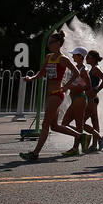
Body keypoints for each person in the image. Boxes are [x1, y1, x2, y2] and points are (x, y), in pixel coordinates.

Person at [19, 31, 85, 161]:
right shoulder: (49, 57)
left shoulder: (63, 59)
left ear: (59, 44)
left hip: (57, 94)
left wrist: (66, 86)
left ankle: (35, 153)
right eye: (48, 42)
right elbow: (42, 72)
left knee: (45, 124)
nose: (49, 44)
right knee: (53, 126)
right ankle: (79, 136)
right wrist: (31, 78)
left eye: (51, 42)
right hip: (50, 94)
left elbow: (77, 73)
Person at [58, 48, 102, 155]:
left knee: (65, 123)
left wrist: (74, 87)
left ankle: (78, 144)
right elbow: (71, 82)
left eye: (75, 55)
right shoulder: (76, 68)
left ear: (80, 56)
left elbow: (87, 85)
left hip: (80, 99)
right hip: (76, 99)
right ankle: (78, 145)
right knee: (75, 125)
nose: (73, 57)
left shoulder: (84, 69)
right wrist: (66, 87)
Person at [81, 49, 103, 150]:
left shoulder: (95, 69)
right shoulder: (93, 68)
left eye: (88, 57)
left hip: (91, 99)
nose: (86, 58)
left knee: (81, 122)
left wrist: (96, 90)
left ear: (93, 59)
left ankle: (99, 139)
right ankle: (94, 145)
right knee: (94, 122)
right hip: (92, 98)